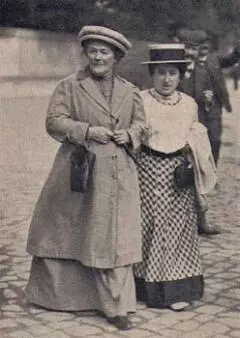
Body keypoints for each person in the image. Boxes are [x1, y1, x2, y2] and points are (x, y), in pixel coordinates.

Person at [25, 25, 146, 331]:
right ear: (86, 54)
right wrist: (87, 131)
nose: (98, 57)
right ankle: (63, 298)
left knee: (113, 236)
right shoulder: (69, 86)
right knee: (73, 230)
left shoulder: (130, 91)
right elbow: (54, 122)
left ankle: (116, 306)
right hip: (79, 172)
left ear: (116, 57)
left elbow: (143, 126)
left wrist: (129, 134)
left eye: (104, 52)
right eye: (92, 51)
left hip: (119, 176)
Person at [134, 44, 217, 311]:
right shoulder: (141, 100)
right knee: (152, 227)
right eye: (161, 73)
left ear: (180, 76)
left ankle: (177, 288)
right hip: (147, 170)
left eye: (172, 73)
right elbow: (133, 134)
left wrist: (192, 157)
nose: (166, 79)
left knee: (179, 229)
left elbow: (196, 137)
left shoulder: (189, 104)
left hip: (178, 174)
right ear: (153, 74)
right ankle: (147, 288)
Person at [177, 29, 240, 235]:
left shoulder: (209, 62)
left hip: (205, 114)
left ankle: (208, 176)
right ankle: (195, 219)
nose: (192, 51)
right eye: (188, 47)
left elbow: (229, 62)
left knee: (211, 146)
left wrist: (209, 97)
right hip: (183, 119)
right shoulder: (177, 66)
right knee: (187, 166)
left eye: (195, 48)